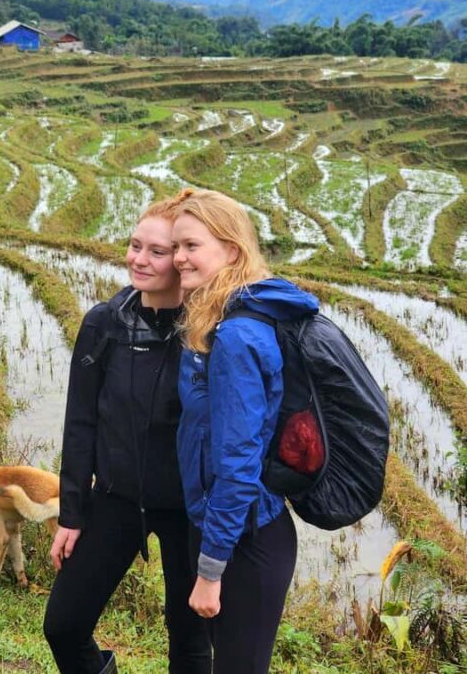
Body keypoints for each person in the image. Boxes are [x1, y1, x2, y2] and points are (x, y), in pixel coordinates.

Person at [44, 196, 211, 674]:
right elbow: (81, 422)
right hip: (116, 499)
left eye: (157, 252)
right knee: (64, 626)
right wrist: (72, 512)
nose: (139, 259)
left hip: (189, 511)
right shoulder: (105, 324)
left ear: (183, 260)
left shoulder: (208, 332)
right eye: (135, 245)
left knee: (190, 643)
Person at [171, 188, 319, 674]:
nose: (178, 257)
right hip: (230, 529)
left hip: (245, 541)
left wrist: (211, 569)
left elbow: (237, 465)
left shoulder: (235, 337)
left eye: (192, 246)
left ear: (232, 251)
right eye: (176, 246)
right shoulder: (223, 317)